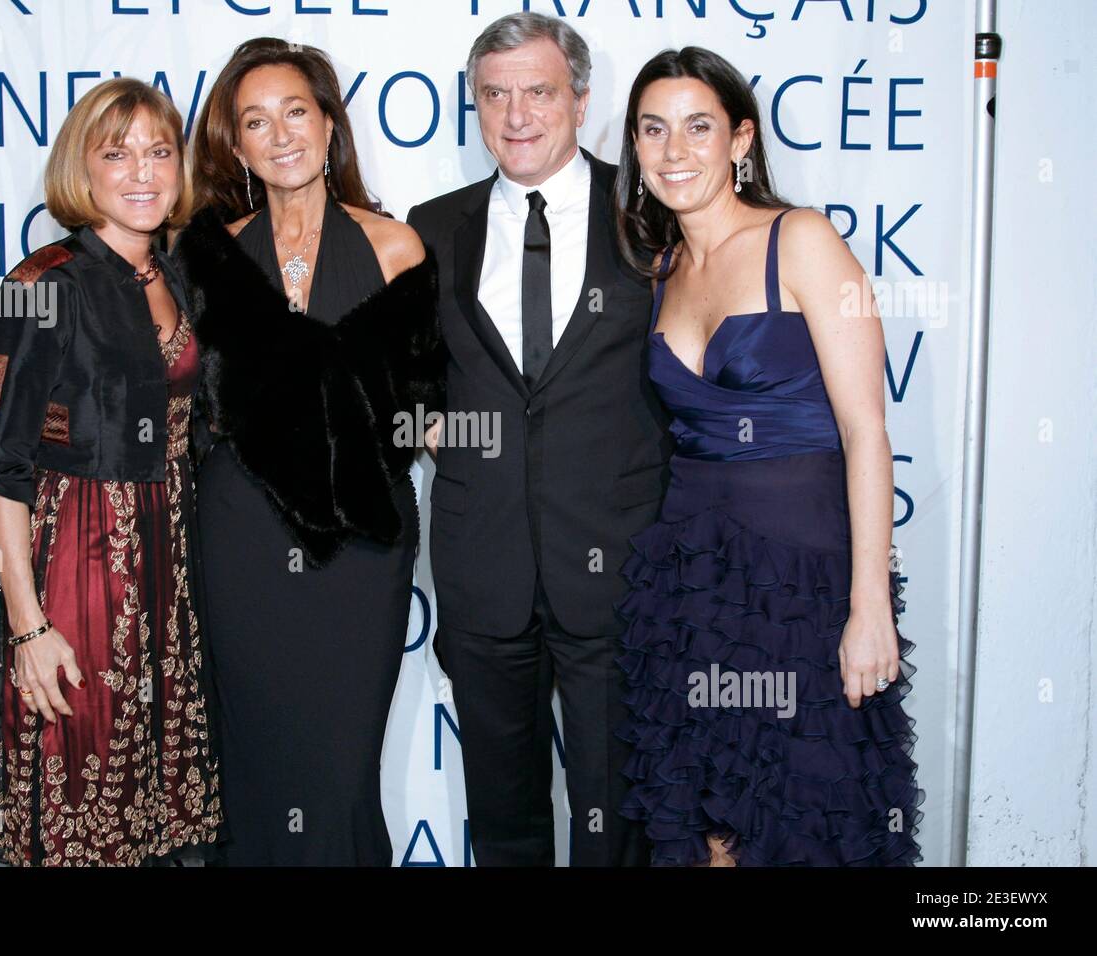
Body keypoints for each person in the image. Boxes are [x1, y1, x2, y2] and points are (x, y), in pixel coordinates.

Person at [612, 46, 925, 866]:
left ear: (741, 140)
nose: (674, 151)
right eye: (654, 130)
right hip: (693, 587)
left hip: (801, 586)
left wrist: (868, 607)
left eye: (698, 127)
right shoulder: (663, 268)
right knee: (709, 824)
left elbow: (866, 432)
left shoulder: (804, 240)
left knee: (802, 821)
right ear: (635, 149)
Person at [407, 12, 671, 866]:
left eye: (539, 92)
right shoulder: (433, 226)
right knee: (504, 816)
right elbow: (403, 382)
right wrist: (437, 428)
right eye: (495, 95)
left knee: (614, 816)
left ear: (581, 100)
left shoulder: (648, 217)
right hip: (485, 569)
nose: (516, 115)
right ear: (475, 105)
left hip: (616, 565)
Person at [173, 38, 445, 866]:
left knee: (338, 765)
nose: (281, 133)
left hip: (357, 548)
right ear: (237, 144)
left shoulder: (396, 246)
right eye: (256, 121)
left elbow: (425, 409)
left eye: (296, 111)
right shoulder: (208, 254)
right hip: (239, 536)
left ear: (329, 122)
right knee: (253, 756)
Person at [0, 78, 228, 866]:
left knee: (159, 819)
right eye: (117, 153)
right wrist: (29, 626)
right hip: (77, 575)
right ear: (83, 167)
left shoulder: (176, 274)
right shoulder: (42, 285)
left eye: (158, 152)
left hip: (169, 578)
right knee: (76, 801)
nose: (142, 171)